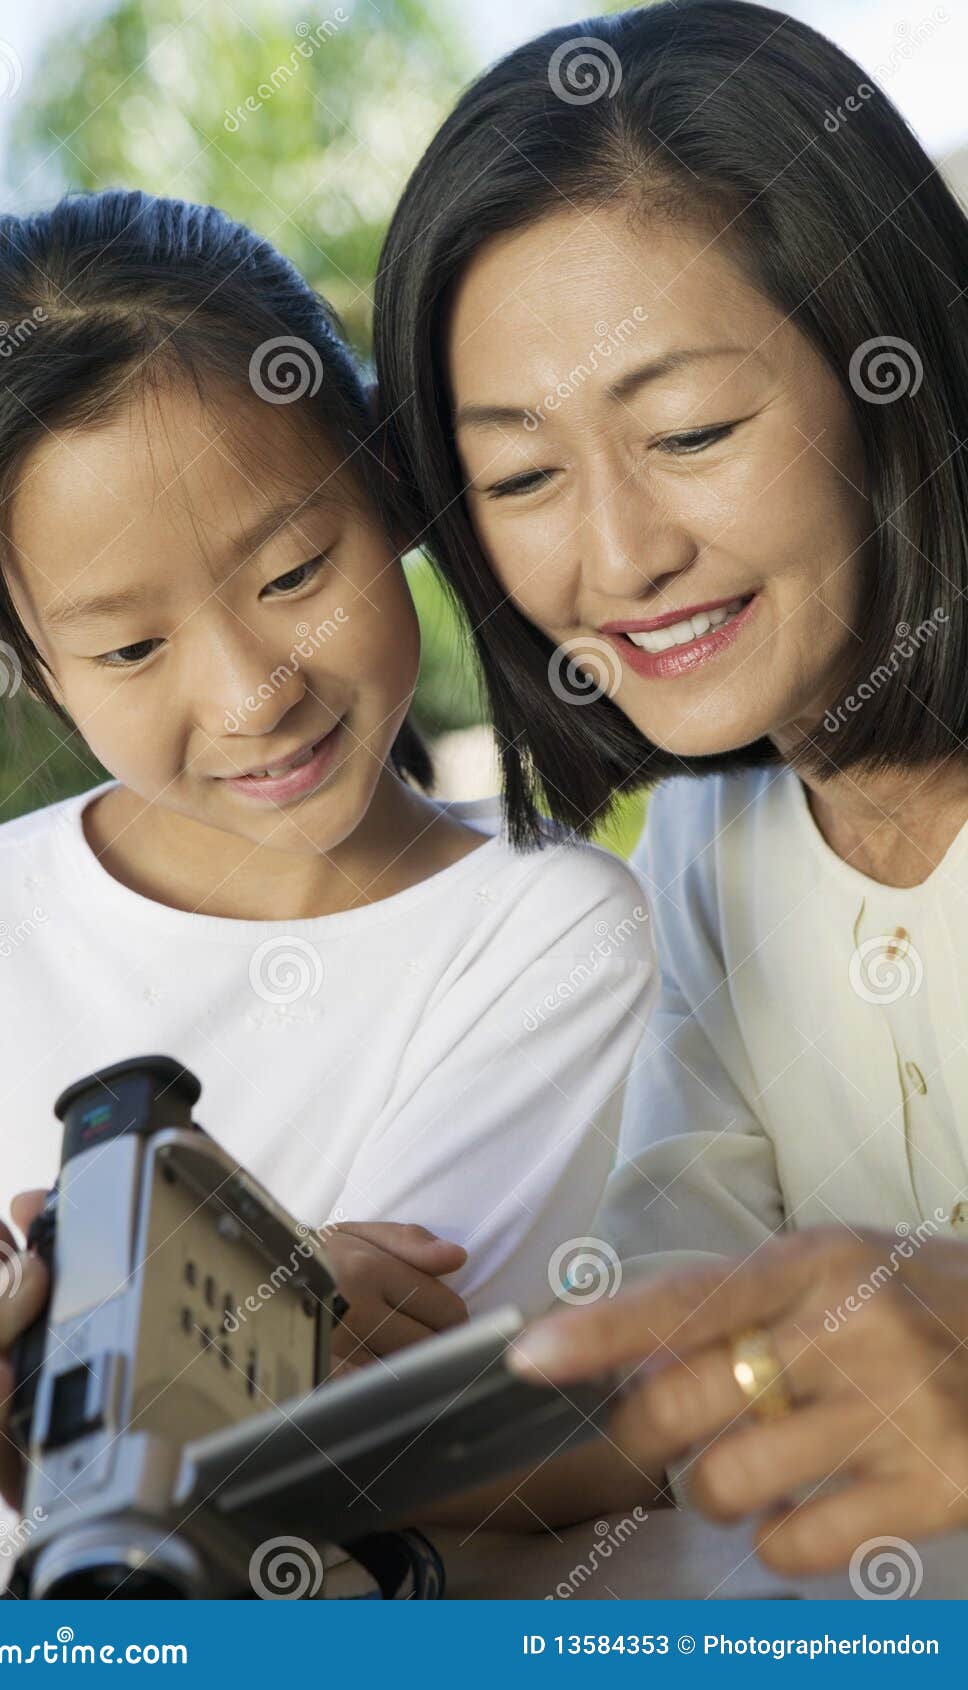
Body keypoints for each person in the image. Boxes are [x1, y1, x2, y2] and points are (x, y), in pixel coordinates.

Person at [0, 191, 655, 1549]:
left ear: (386, 493)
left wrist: (113, 1376)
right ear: (34, 666)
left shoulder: (551, 934)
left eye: (297, 568)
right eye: (130, 649)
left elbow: (356, 1433)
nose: (252, 692)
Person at [371, 0, 968, 1567]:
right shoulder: (711, 830)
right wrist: (306, 1419)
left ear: (887, 372)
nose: (620, 556)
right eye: (519, 477)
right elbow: (675, 1345)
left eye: (690, 428)